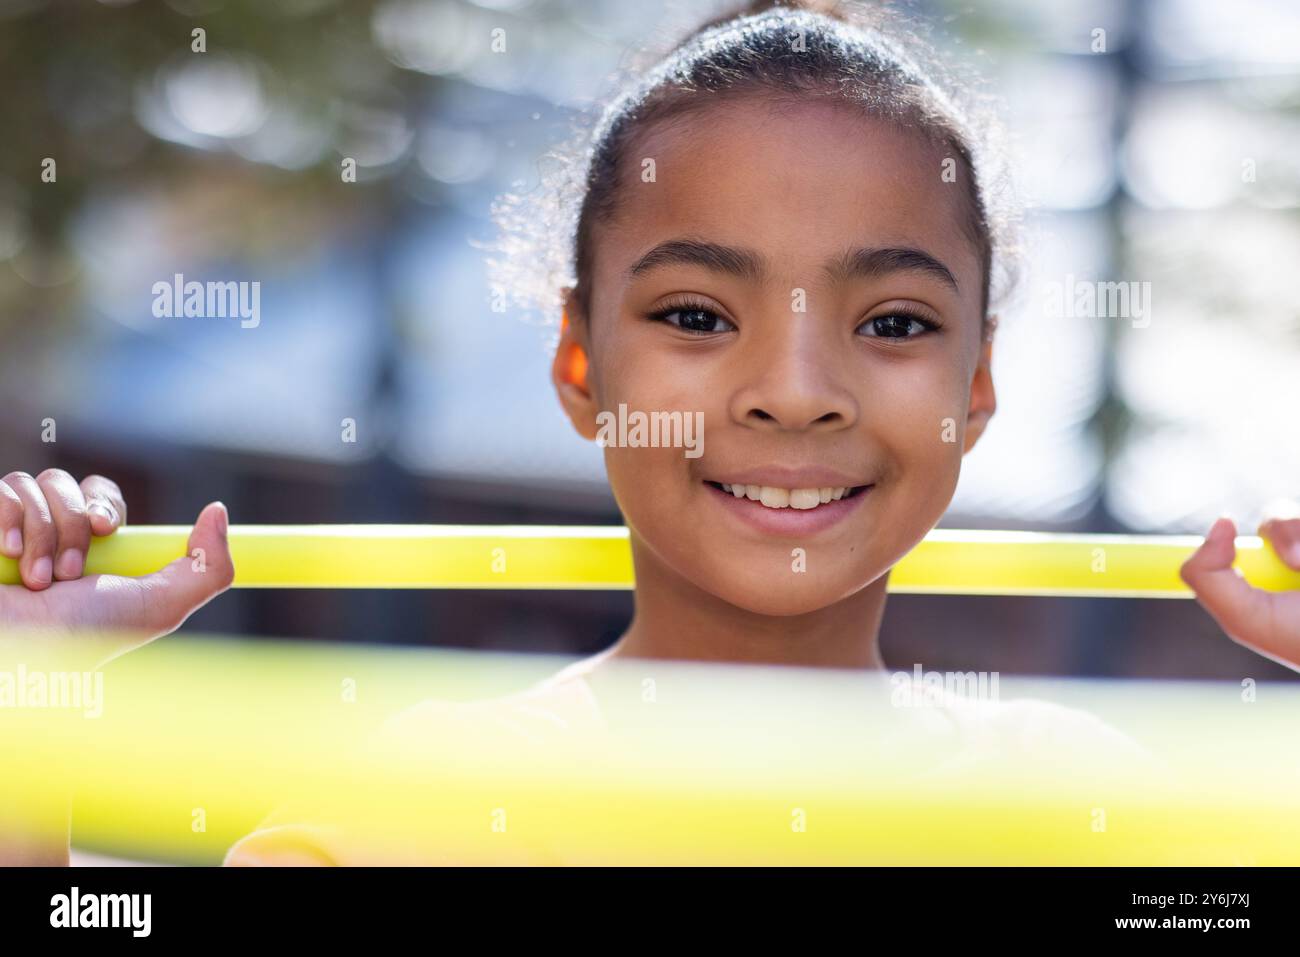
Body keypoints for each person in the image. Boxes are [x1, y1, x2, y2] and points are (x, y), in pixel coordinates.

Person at [2, 0, 1297, 866]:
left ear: (978, 385)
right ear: (579, 362)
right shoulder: (419, 802)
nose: (795, 390)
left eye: (894, 322)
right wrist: (29, 724)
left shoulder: (1098, 806)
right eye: (695, 311)